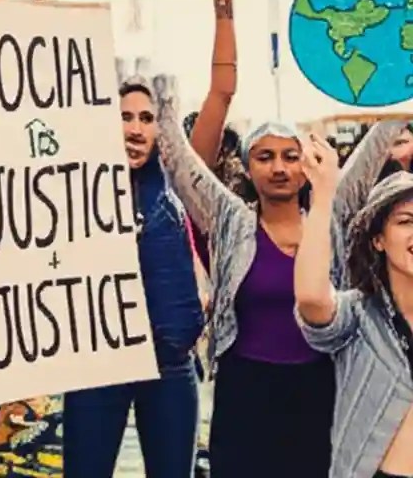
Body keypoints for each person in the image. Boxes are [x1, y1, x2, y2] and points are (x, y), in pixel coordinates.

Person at [29, 0, 235, 476]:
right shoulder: (73, 179)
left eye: (146, 117)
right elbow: (36, 95)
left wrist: (224, 7)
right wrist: (38, 0)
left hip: (168, 363)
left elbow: (221, 93)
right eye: (123, 116)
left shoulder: (179, 182)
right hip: (96, 361)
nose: (136, 127)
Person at [150, 71, 404, 475]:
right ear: (248, 169)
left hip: (319, 387)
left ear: (306, 167)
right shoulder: (230, 220)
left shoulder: (331, 215)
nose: (279, 167)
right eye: (265, 157)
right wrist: (161, 96)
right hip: (244, 391)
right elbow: (180, 162)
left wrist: (400, 79)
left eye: (290, 156)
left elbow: (379, 139)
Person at [296, 142, 413, 478]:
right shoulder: (359, 315)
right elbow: (312, 300)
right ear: (378, 239)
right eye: (405, 221)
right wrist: (322, 197)